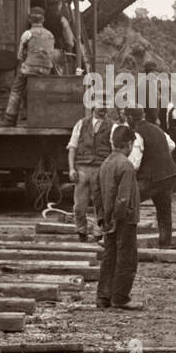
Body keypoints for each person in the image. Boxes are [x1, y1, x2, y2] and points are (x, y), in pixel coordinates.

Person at [96, 125, 142, 310]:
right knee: (127, 258)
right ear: (128, 144)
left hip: (109, 219)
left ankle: (103, 297)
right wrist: (117, 218)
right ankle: (120, 298)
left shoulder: (105, 163)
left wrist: (103, 218)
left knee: (109, 257)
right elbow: (123, 198)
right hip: (124, 220)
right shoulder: (126, 165)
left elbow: (97, 194)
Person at [126, 107, 176, 248]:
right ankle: (165, 243)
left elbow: (134, 163)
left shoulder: (137, 133)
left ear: (130, 118)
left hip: (151, 178)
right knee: (164, 211)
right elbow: (171, 145)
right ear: (143, 115)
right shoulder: (157, 128)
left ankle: (125, 241)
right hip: (168, 175)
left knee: (128, 201)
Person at [67, 104, 112, 240]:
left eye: (105, 106)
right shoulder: (81, 124)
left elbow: (115, 149)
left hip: (101, 169)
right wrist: (71, 169)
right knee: (79, 206)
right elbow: (72, 148)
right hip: (82, 170)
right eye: (100, 106)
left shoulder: (112, 126)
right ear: (93, 107)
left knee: (102, 204)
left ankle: (99, 234)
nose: (103, 109)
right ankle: (81, 231)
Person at [4, 7, 55, 124]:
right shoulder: (50, 34)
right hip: (46, 69)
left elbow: (19, 56)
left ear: (30, 20)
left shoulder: (27, 33)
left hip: (30, 68)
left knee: (16, 88)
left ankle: (10, 118)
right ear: (43, 20)